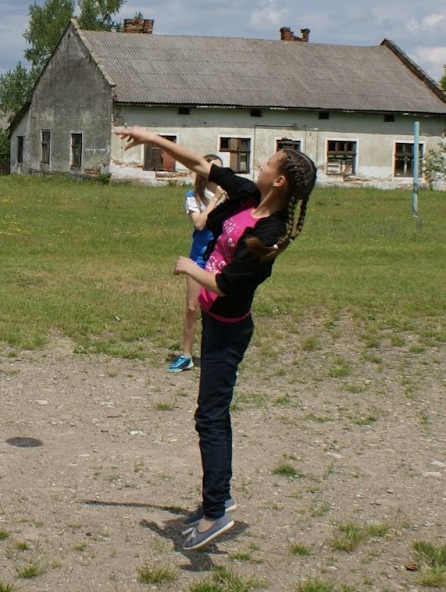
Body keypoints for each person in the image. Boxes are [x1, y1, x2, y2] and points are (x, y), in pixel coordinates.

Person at [117, 126, 316, 552]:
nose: (258, 166)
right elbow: (201, 165)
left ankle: (215, 512)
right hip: (215, 322)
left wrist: (189, 267)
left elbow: (227, 285)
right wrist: (152, 139)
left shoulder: (271, 233)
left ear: (279, 181)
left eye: (266, 164)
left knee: (209, 417)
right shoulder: (247, 198)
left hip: (228, 329)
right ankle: (217, 498)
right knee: (212, 414)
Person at [169, 156, 224, 373]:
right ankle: (186, 356)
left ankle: (217, 357)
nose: (217, 173)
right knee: (192, 307)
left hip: (220, 259)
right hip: (198, 258)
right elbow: (199, 223)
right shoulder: (194, 196)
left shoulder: (231, 198)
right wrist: (214, 201)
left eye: (220, 169)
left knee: (217, 311)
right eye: (212, 168)